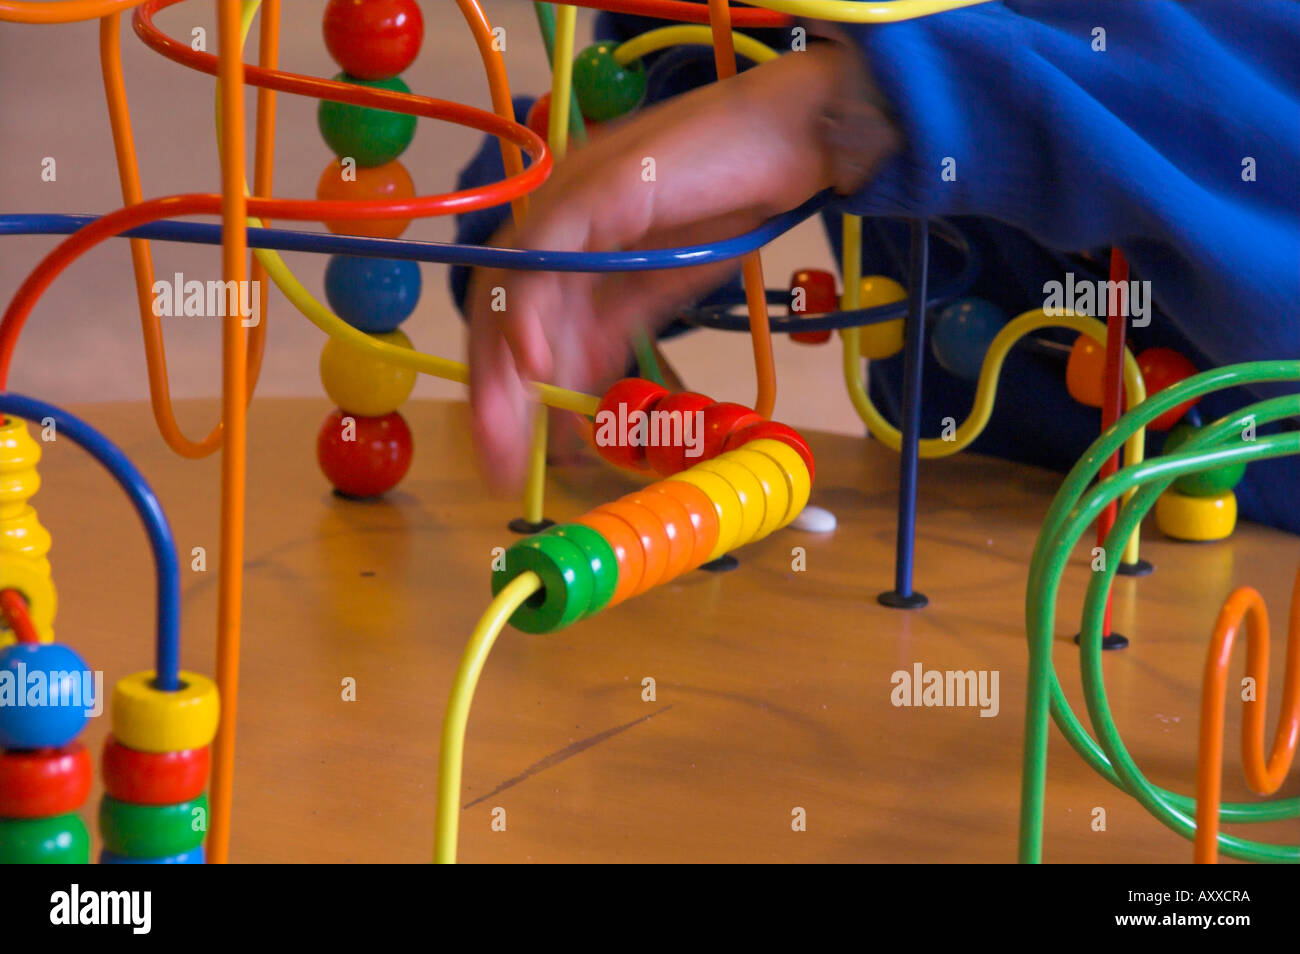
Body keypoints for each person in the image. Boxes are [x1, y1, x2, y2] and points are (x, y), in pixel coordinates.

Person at [453, 1, 1300, 532]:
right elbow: (660, 89)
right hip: (947, 514)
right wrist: (544, 244)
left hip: (1234, 566)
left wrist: (878, 104)